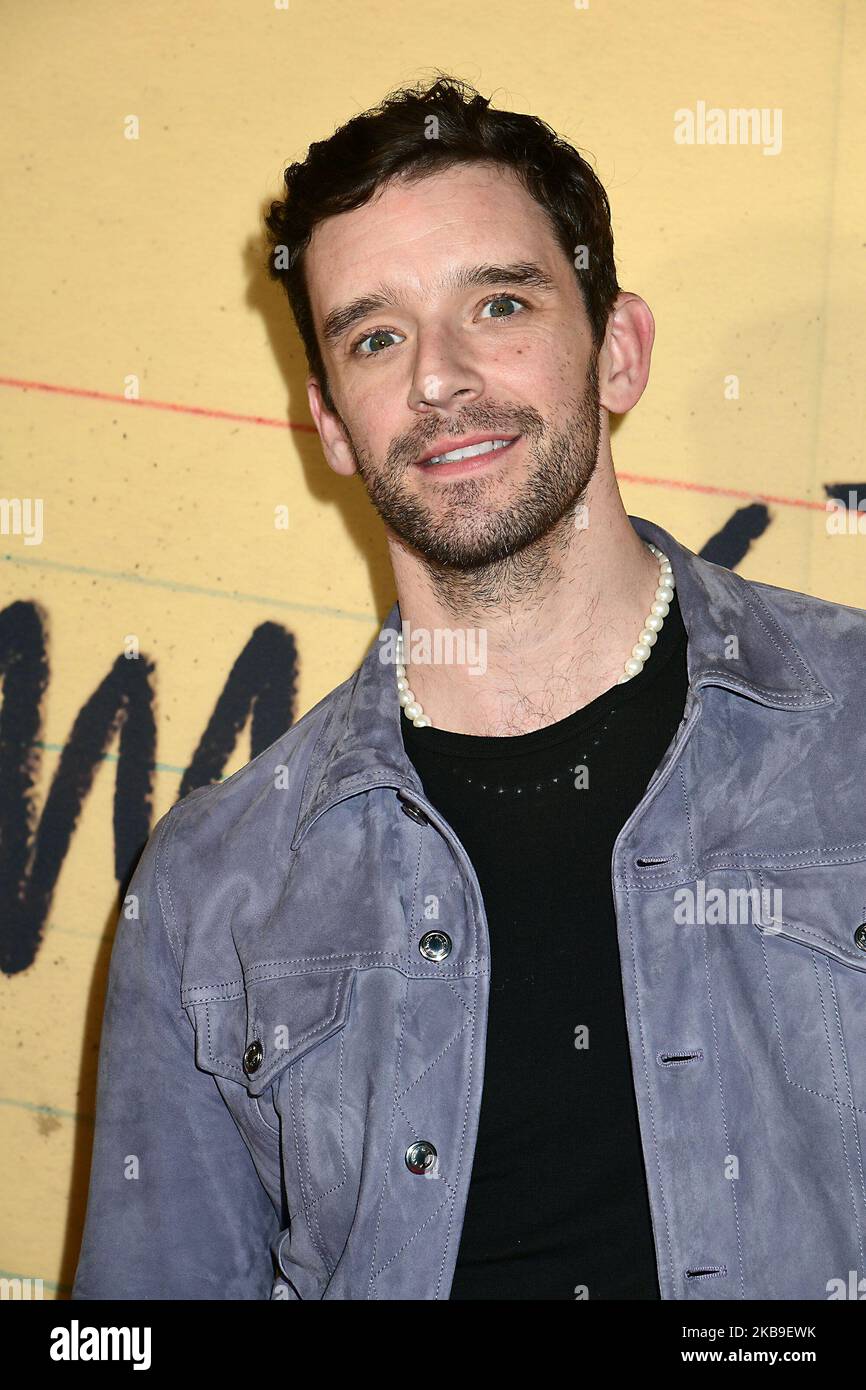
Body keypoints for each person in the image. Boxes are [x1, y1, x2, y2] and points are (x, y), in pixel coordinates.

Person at [72, 74, 866, 1302]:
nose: (438, 378)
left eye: (497, 303)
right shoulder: (209, 885)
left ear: (617, 349)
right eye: (375, 336)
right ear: (331, 424)